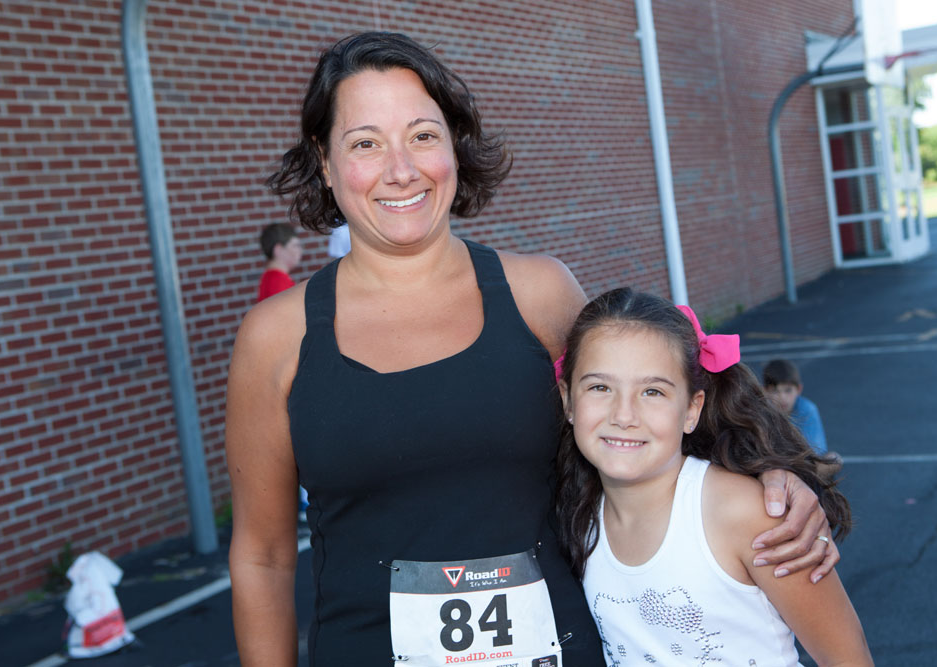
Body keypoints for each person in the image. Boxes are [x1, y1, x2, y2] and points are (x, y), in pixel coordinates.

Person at [225, 31, 837, 667]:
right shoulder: (275, 338)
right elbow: (263, 559)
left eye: (423, 135)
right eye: (365, 144)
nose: (401, 168)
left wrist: (768, 476)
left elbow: (656, 406)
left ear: (455, 147)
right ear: (325, 162)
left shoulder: (539, 295)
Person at [555, 289, 872, 666]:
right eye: (600, 387)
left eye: (652, 391)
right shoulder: (577, 514)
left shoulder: (746, 513)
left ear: (692, 409)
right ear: (568, 400)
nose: (624, 415)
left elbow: (849, 659)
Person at [763, 358, 828, 455]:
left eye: (788, 390)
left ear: (799, 389)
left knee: (833, 459)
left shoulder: (807, 409)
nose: (782, 397)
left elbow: (816, 451)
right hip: (774, 464)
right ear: (765, 391)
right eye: (775, 391)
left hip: (799, 463)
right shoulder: (761, 411)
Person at [257, 222, 303, 302]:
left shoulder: (270, 277)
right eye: (295, 246)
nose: (300, 251)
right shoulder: (278, 282)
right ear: (278, 250)